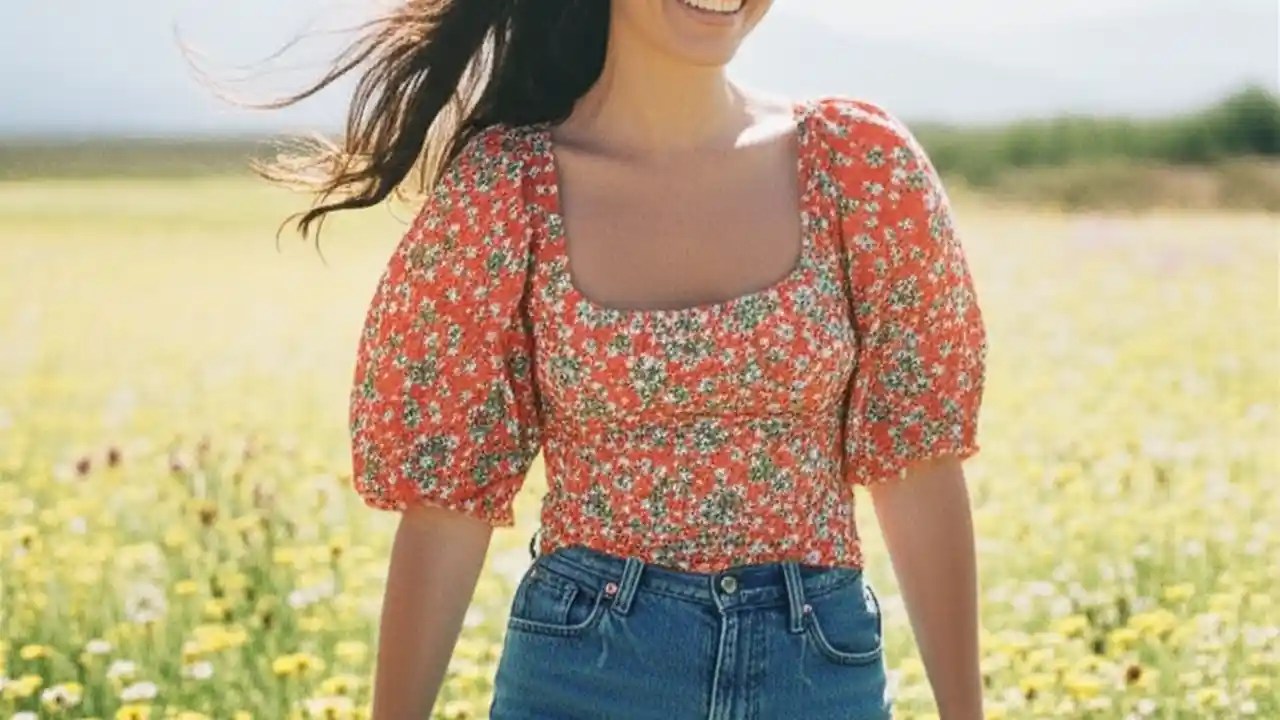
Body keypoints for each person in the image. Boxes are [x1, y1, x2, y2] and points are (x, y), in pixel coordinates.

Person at [262, 1, 988, 718]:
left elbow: (918, 461)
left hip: (818, 676)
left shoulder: (858, 165)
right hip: (586, 675)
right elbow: (444, 510)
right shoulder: (504, 192)